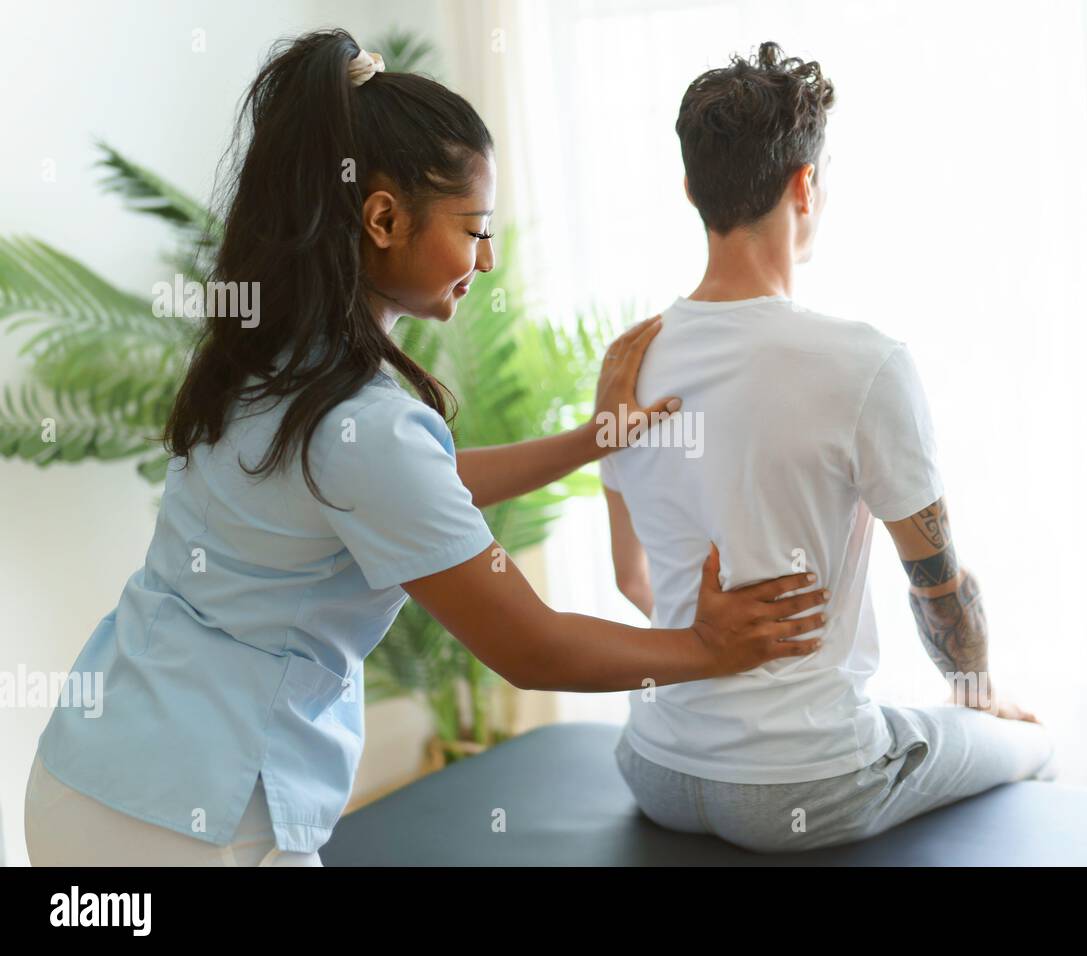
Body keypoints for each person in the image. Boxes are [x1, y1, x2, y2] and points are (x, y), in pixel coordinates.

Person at [23, 29, 828, 867]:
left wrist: (596, 439)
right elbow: (528, 644)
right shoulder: (362, 425)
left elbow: (418, 492)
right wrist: (708, 649)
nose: (485, 260)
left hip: (87, 772)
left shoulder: (261, 362)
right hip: (188, 819)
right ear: (382, 218)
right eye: (475, 229)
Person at [600, 41, 1059, 854]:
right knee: (1035, 744)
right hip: (802, 785)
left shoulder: (627, 360)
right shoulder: (864, 362)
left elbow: (633, 581)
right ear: (804, 184)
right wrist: (976, 692)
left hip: (655, 768)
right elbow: (939, 589)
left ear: (689, 190)